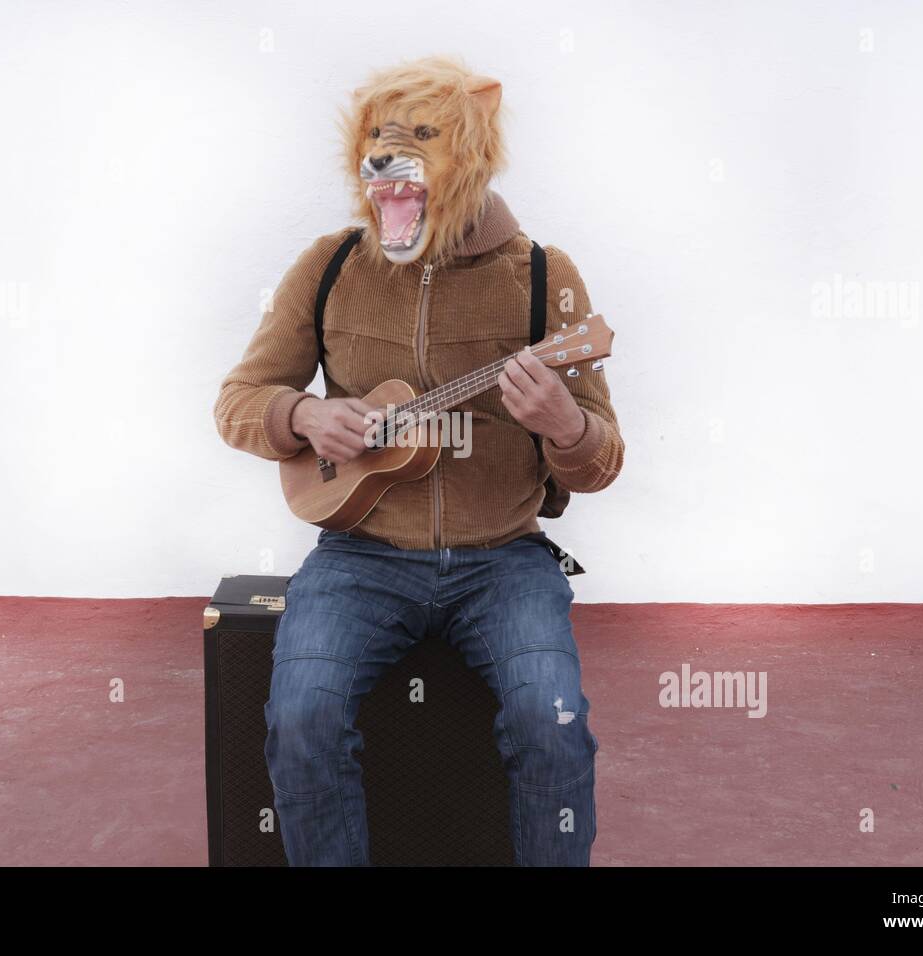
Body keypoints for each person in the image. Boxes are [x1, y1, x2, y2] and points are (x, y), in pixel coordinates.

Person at [214, 56, 624, 866]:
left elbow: (603, 460)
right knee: (300, 717)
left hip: (503, 561)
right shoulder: (332, 267)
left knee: (553, 721)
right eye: (376, 142)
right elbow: (237, 399)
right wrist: (301, 414)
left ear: (466, 155)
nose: (385, 161)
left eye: (419, 141)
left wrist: (566, 426)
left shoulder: (546, 276)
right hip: (359, 557)